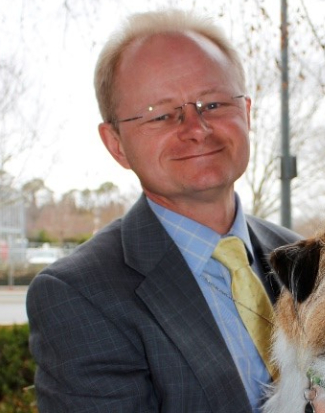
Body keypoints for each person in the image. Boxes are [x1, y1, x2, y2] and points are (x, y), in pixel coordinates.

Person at [26, 8, 301, 413]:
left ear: (246, 112)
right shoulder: (77, 296)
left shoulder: (305, 257)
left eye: (213, 103)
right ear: (116, 143)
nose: (195, 128)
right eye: (161, 114)